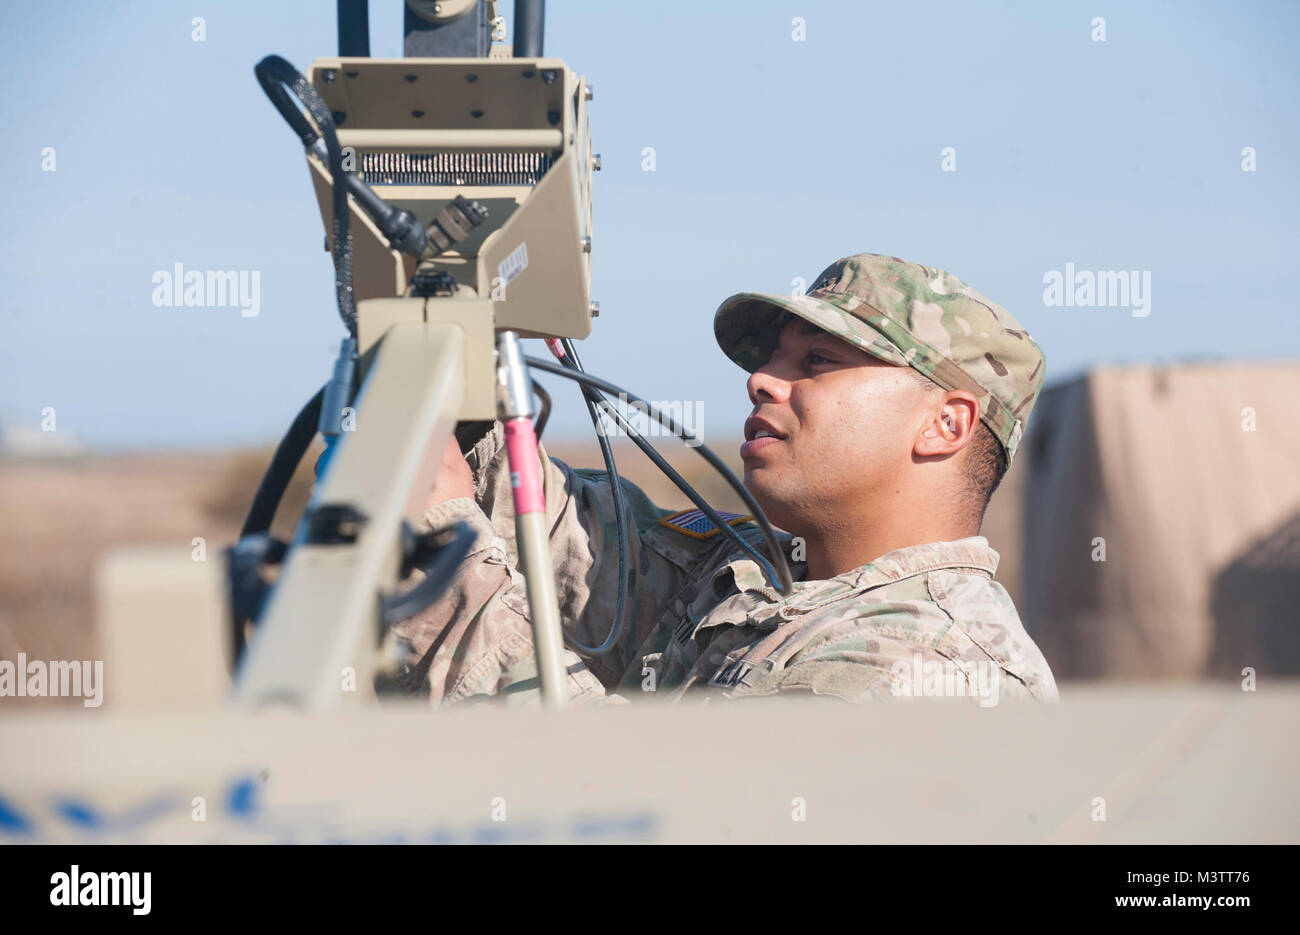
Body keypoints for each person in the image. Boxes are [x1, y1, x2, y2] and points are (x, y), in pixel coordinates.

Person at [394, 253, 1058, 706]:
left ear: (945, 423)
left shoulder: (937, 667)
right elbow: (573, 542)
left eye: (818, 360)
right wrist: (467, 381)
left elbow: (646, 811)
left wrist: (449, 563)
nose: (762, 378)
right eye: (775, 355)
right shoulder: (756, 574)